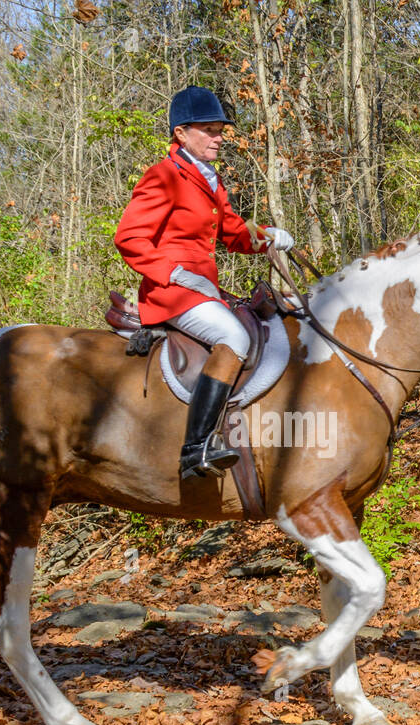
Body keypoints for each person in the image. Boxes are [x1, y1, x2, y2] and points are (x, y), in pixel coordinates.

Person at [115, 85, 293, 480]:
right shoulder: (163, 176)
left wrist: (268, 235)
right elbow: (128, 238)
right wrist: (173, 272)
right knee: (235, 338)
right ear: (181, 133)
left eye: (220, 130)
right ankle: (196, 449)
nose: (218, 138)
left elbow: (232, 232)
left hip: (201, 291)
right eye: (210, 130)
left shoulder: (208, 178)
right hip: (172, 293)